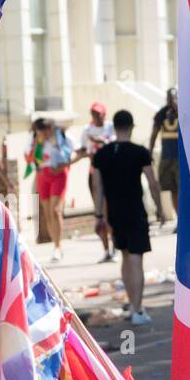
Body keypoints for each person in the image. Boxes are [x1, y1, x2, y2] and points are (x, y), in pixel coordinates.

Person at [91, 110, 165, 327]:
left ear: (114, 127)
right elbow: (152, 182)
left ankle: (133, 305)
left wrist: (98, 215)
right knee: (136, 259)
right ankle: (137, 308)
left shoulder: (102, 154)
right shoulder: (140, 152)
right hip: (135, 210)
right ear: (132, 127)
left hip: (114, 213)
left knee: (124, 256)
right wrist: (160, 208)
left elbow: (98, 186)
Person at [29, 117, 72, 262]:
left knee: (55, 210)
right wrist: (36, 145)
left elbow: (71, 153)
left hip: (58, 174)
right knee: (47, 214)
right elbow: (30, 159)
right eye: (40, 132)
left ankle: (58, 247)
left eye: (45, 131)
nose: (43, 134)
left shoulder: (61, 136)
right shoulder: (36, 139)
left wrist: (62, 165)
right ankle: (55, 246)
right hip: (42, 174)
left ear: (50, 128)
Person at [76, 102, 115, 261]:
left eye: (98, 113)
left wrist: (100, 141)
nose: (96, 116)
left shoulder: (110, 127)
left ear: (104, 114)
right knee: (99, 212)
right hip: (94, 174)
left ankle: (116, 247)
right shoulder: (87, 130)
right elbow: (83, 150)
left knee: (111, 212)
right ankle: (106, 250)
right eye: (93, 113)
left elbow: (113, 144)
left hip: (111, 174)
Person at [149, 88, 179, 223]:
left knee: (182, 188)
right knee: (172, 189)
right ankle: (179, 220)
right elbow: (154, 133)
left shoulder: (183, 110)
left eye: (173, 96)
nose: (170, 99)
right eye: (169, 96)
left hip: (180, 158)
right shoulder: (161, 113)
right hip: (167, 156)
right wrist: (149, 151)